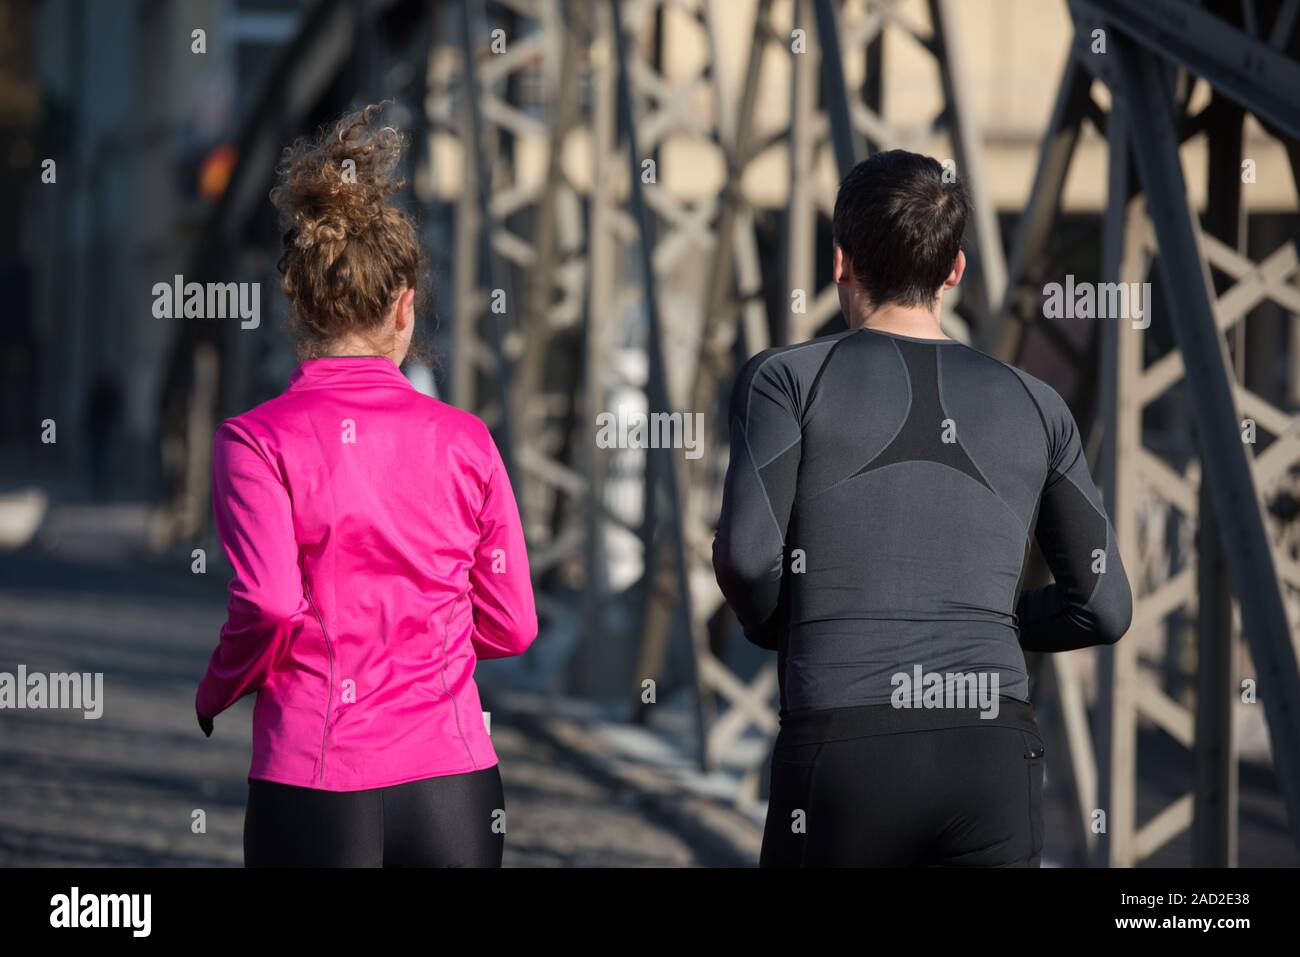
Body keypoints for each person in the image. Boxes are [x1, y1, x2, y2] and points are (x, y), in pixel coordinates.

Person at [712, 150, 1132, 867]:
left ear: (840, 260)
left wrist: (794, 624)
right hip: (992, 752)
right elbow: (1105, 606)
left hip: (845, 747)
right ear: (956, 269)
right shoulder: (1037, 403)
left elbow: (748, 558)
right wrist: (1003, 620)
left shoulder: (786, 380)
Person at [194, 104, 536, 867]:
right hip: (455, 782)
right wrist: (424, 641)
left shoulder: (255, 441)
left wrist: (218, 686)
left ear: (298, 305)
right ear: (405, 307)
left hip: (316, 779)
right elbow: (514, 624)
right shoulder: (466, 439)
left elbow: (271, 603)